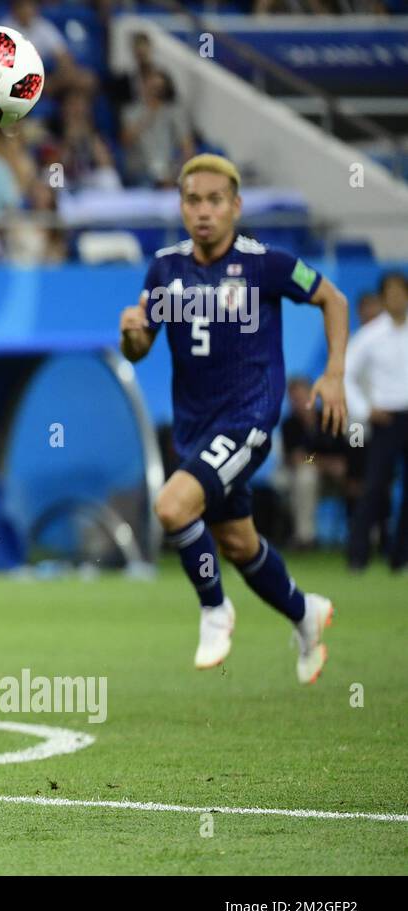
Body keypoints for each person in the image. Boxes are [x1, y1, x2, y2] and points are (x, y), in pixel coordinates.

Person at [118, 154, 348, 685]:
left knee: (172, 506)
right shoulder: (165, 269)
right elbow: (139, 348)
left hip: (249, 419)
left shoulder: (265, 263)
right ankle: (304, 615)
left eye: (215, 201)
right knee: (240, 544)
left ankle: (214, 608)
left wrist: (333, 373)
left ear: (235, 206)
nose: (203, 212)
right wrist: (131, 333)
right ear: (181, 206)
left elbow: (331, 298)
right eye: (193, 200)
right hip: (195, 430)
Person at [345, 270, 408, 571]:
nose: (396, 299)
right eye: (391, 293)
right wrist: (365, 410)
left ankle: (400, 557)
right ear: (384, 298)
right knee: (373, 487)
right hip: (383, 419)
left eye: (401, 292)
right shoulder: (369, 336)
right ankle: (358, 555)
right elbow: (346, 376)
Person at [277, 376, 349, 549]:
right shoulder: (289, 425)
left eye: (300, 397)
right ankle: (306, 538)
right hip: (308, 478)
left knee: (361, 476)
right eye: (293, 399)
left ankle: (369, 536)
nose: (297, 402)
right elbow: (297, 458)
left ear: (312, 396)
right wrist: (323, 462)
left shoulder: (332, 418)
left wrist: (334, 464)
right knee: (306, 474)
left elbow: (347, 453)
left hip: (338, 478)